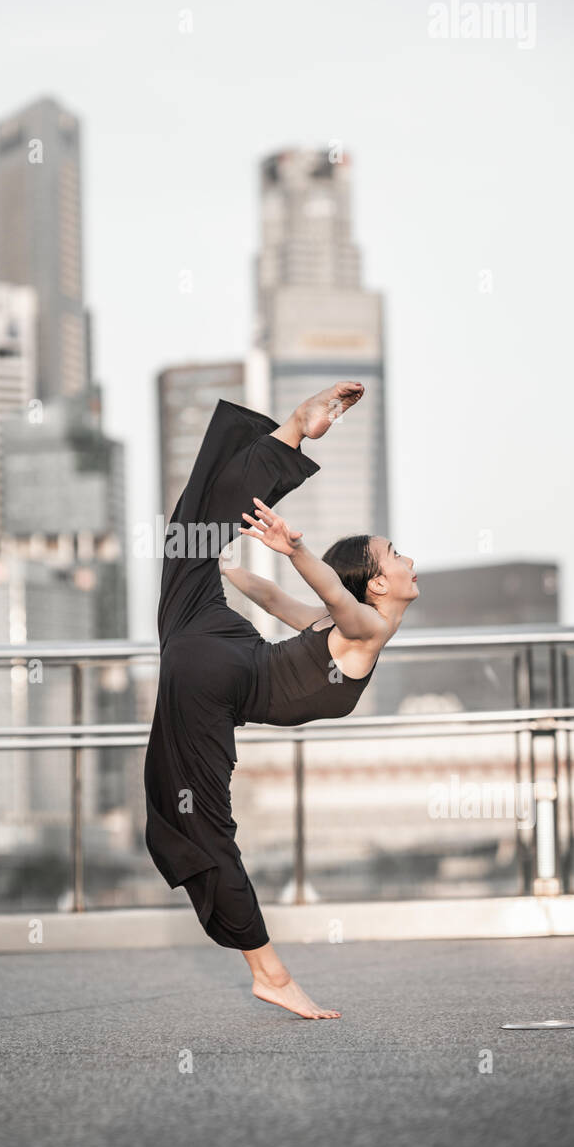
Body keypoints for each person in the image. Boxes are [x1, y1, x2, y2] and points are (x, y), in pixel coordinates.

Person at [143, 382, 419, 1019]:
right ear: (381, 583)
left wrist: (228, 562)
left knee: (188, 535)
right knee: (206, 828)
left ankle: (293, 431)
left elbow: (312, 602)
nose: (408, 560)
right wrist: (253, 560)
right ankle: (269, 973)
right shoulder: (360, 630)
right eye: (396, 556)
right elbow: (299, 600)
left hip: (208, 653)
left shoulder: (349, 627)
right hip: (218, 668)